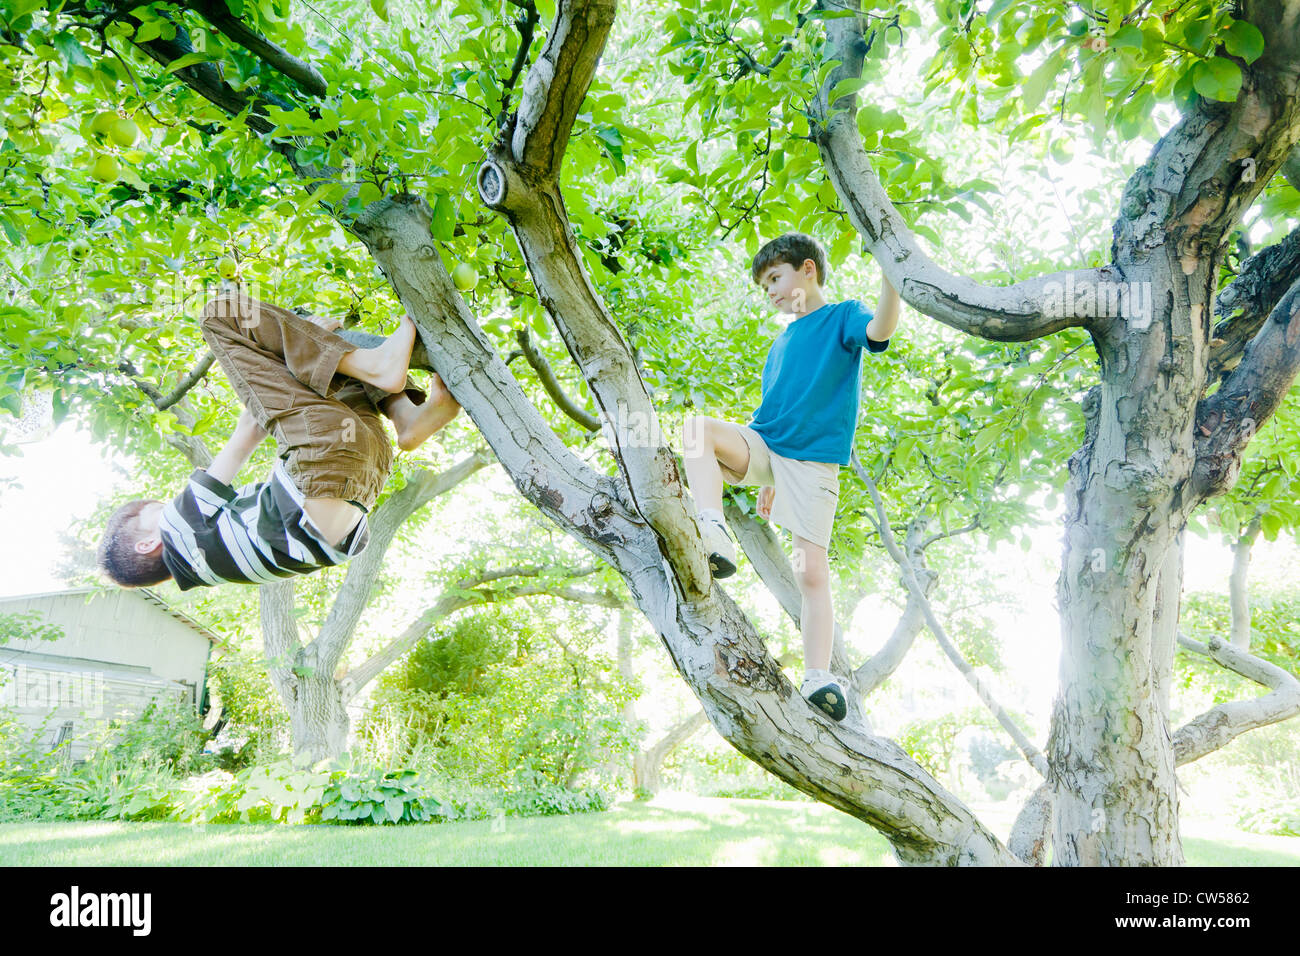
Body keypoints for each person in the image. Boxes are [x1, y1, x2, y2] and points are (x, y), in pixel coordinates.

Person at [97, 291, 461, 590]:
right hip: (321, 468)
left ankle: (407, 419)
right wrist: (295, 346)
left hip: (360, 470)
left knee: (334, 359)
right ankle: (383, 384)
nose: (168, 504)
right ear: (148, 544)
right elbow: (248, 433)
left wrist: (314, 347)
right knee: (220, 314)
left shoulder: (216, 567)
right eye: (154, 509)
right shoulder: (178, 528)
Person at [682, 232, 900, 721]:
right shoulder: (779, 344)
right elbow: (772, 415)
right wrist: (766, 477)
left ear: (808, 270)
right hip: (767, 448)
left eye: (775, 279)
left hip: (813, 465)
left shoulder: (842, 316)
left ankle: (819, 677)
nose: (772, 293)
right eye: (764, 287)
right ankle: (712, 527)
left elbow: (881, 332)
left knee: (811, 573)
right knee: (696, 430)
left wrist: (894, 275)